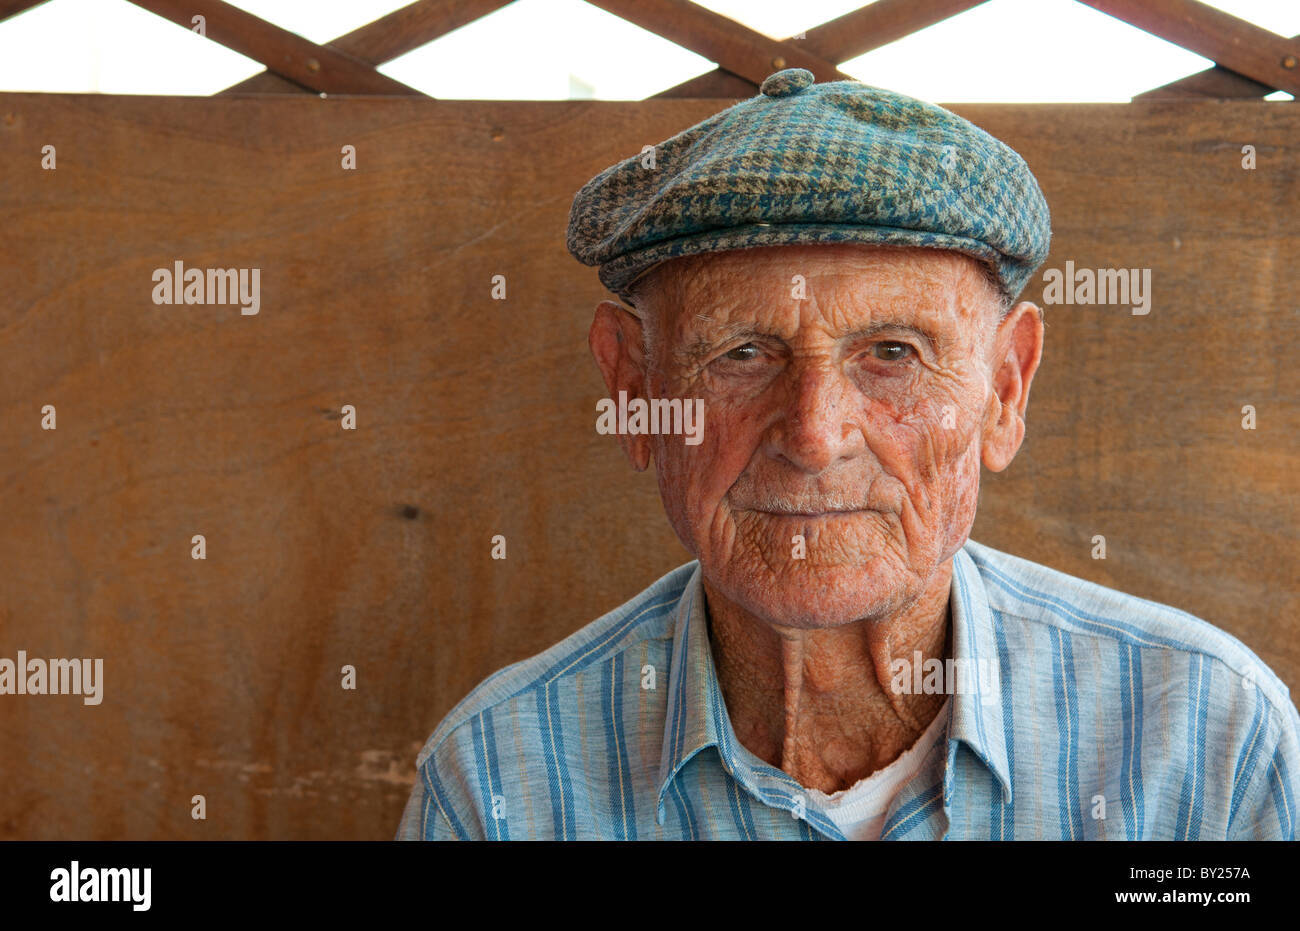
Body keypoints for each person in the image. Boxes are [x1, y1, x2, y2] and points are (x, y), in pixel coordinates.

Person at [397, 69, 1298, 840]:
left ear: (1005, 390)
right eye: (741, 353)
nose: (816, 435)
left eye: (893, 353)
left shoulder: (1205, 746)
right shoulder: (500, 786)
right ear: (635, 391)